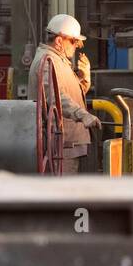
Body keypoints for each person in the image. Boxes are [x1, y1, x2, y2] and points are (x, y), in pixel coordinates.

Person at [27, 13, 99, 174]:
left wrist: (84, 77)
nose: (76, 46)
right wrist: (82, 114)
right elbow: (54, 96)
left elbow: (69, 95)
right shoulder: (47, 61)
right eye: (73, 41)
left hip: (66, 144)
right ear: (59, 41)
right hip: (59, 145)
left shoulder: (58, 61)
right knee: (62, 193)